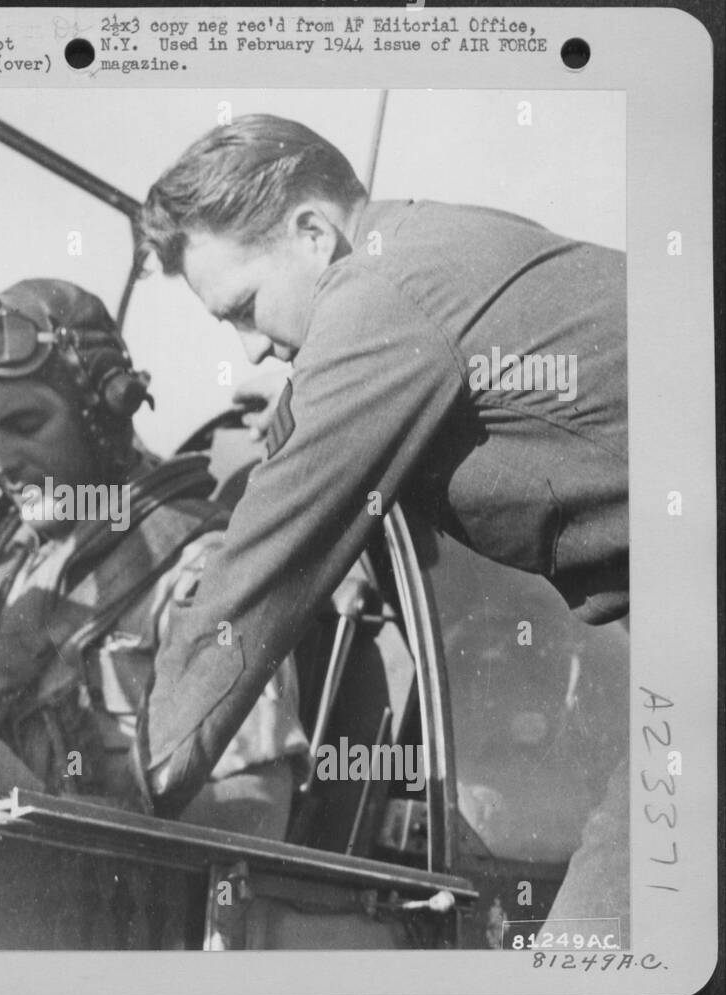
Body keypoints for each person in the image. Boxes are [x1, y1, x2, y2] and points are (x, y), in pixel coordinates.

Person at [134, 115, 629, 926]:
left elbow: (254, 576)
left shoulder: (379, 297)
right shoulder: (420, 257)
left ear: (311, 231)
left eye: (246, 308)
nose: (251, 348)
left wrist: (130, 795)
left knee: (598, 958)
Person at [0, 278, 306, 840]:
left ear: (104, 414)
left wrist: (39, 809)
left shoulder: (203, 576)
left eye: (24, 425)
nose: (2, 460)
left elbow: (256, 815)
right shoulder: (8, 554)